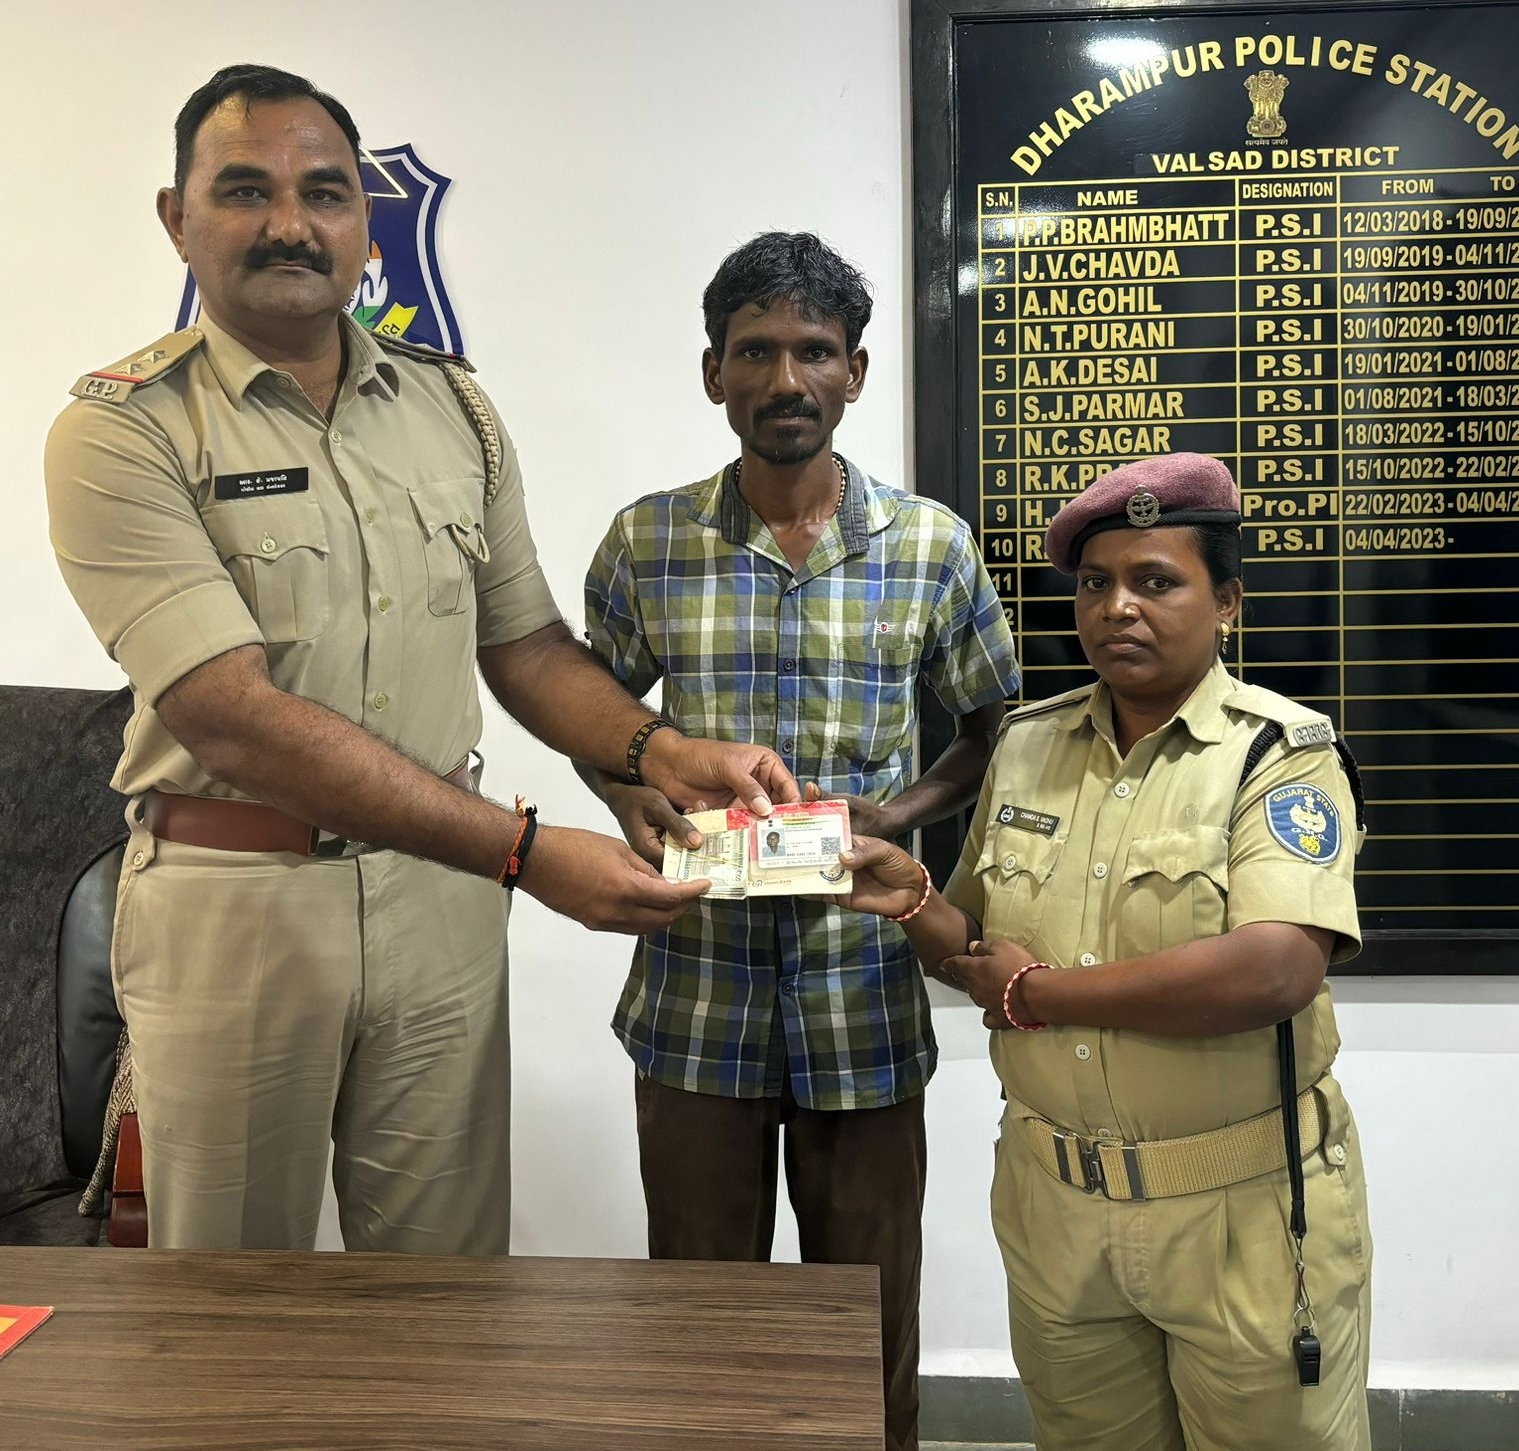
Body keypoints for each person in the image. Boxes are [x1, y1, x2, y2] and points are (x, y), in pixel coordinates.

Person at [43, 64, 797, 1254]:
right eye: (245, 189)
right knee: (232, 1306)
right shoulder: (122, 430)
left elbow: (528, 643)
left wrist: (663, 748)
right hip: (237, 905)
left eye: (325, 192)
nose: (291, 222)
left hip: (440, 906)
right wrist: (527, 852)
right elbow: (228, 712)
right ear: (176, 218)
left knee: (446, 1284)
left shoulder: (455, 409)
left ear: (363, 221)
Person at [581, 231, 1020, 1451]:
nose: (786, 378)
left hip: (861, 994)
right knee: (703, 1319)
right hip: (694, 987)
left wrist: (901, 815)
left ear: (856, 371)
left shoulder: (929, 545)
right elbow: (598, 723)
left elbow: (994, 728)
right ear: (713, 372)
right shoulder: (644, 543)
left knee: (868, 1324)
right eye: (756, 351)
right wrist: (635, 798)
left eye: (813, 351)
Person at [837, 453, 1373, 1451]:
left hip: (1240, 1218)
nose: (1117, 606)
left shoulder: (1280, 754)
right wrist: (908, 898)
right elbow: (974, 948)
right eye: (1095, 583)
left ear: (1226, 604)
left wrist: (1042, 992)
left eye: (1156, 581)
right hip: (1057, 1213)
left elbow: (1274, 968)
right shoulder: (1028, 743)